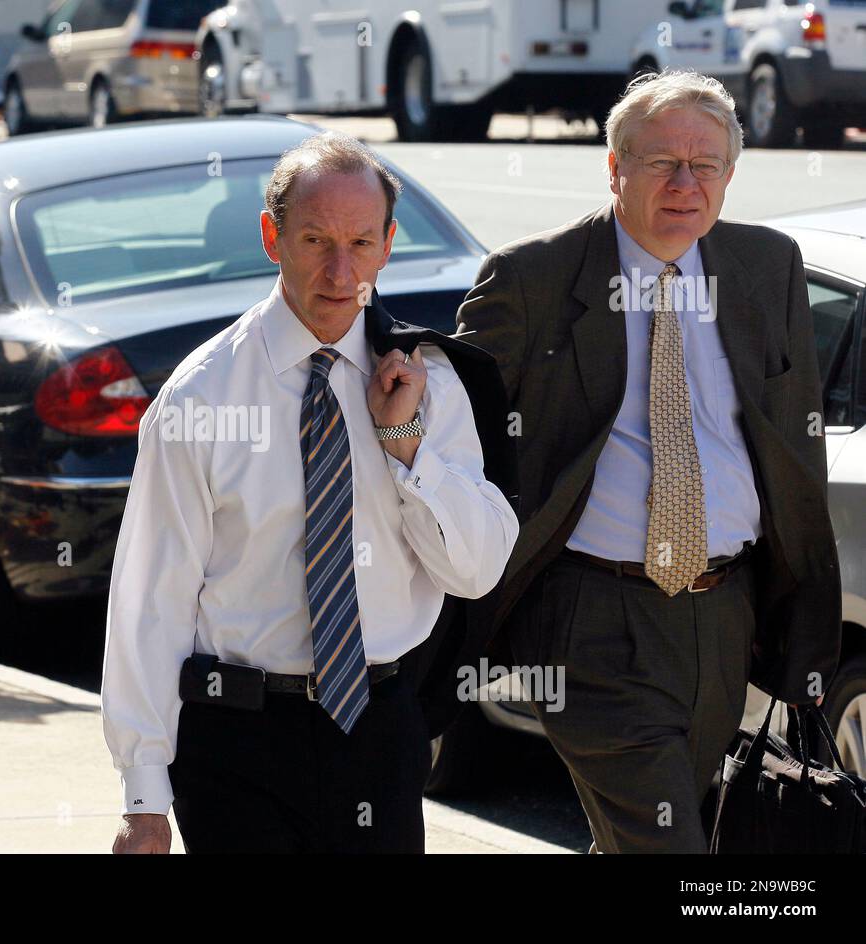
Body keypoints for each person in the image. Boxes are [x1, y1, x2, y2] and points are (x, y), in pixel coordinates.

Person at [454, 70, 840, 853]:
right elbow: (453, 435)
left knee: (648, 830)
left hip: (723, 611)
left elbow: (795, 449)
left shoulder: (767, 268)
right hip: (590, 619)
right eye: (663, 161)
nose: (686, 183)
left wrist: (797, 613)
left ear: (731, 175)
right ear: (615, 166)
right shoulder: (532, 278)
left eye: (707, 165)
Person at [102, 131, 519, 854]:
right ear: (272, 237)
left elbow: (476, 571)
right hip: (236, 742)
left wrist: (408, 449)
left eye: (361, 242)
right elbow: (151, 598)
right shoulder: (201, 397)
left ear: (388, 245)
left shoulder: (430, 384)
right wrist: (143, 797)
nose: (338, 270)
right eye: (315, 239)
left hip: (378, 731)